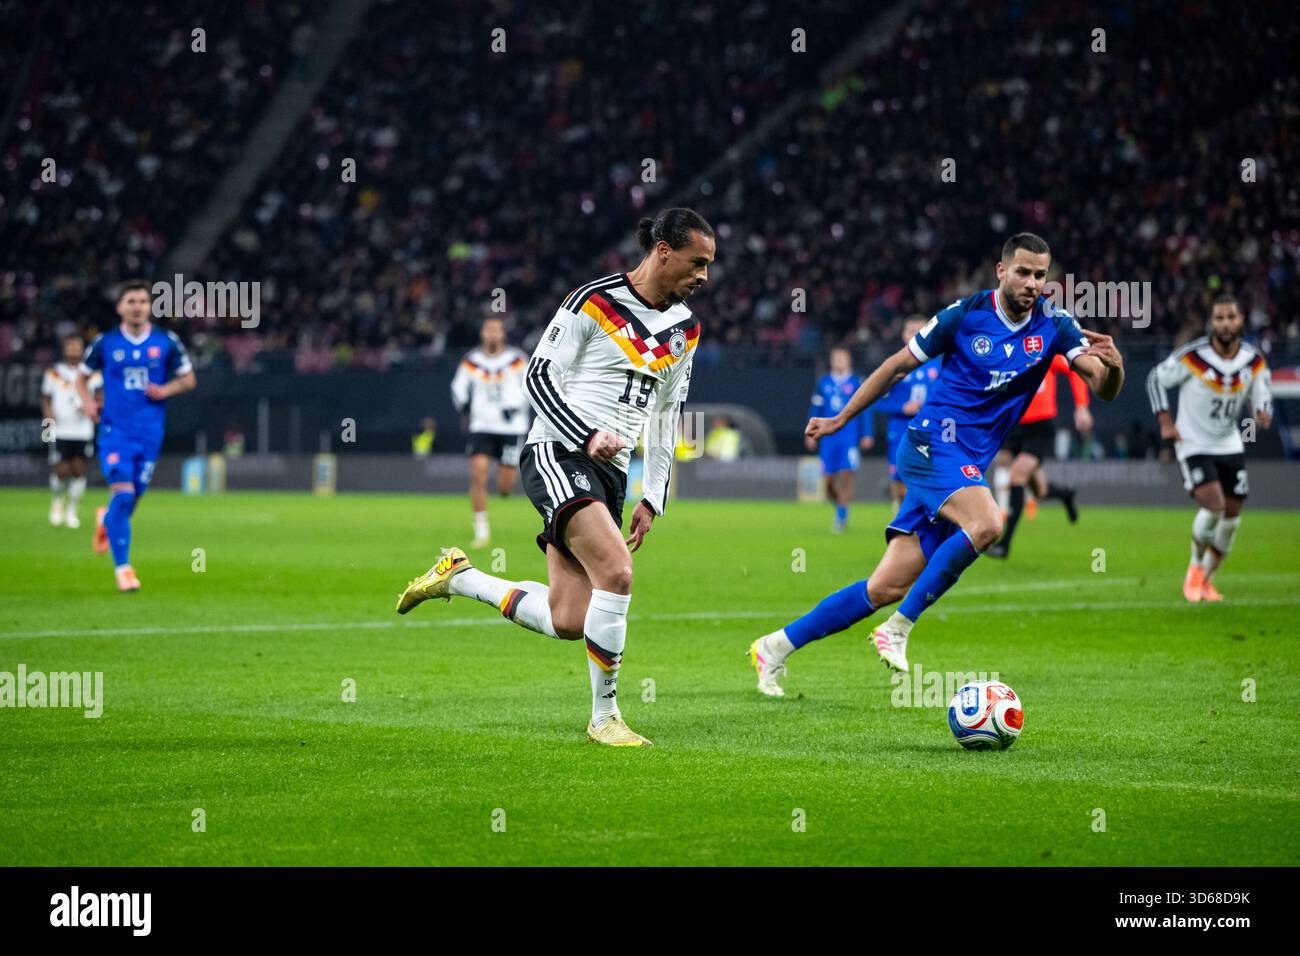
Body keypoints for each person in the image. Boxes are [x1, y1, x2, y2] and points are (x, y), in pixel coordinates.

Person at [748, 233, 1124, 697]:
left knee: (881, 587)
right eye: (1023, 272)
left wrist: (1116, 366)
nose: (1032, 283)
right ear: (1001, 271)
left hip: (966, 464)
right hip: (930, 445)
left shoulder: (1055, 323)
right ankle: (899, 629)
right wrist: (842, 417)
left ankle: (775, 646)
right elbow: (895, 367)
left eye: (1040, 275)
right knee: (988, 522)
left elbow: (1100, 384)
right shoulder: (964, 315)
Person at [395, 208, 714, 746]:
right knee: (617, 572)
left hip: (610, 473)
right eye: (697, 262)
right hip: (559, 452)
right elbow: (538, 376)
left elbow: (667, 417)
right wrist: (587, 434)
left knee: (570, 618)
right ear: (663, 250)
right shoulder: (594, 300)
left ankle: (459, 577)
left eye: (709, 265)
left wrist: (652, 496)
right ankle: (604, 718)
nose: (704, 275)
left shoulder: (687, 329)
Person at [1147, 293, 1272, 602]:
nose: (1226, 324)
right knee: (1214, 505)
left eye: (1231, 317)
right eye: (1220, 318)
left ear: (1241, 320)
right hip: (1193, 443)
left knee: (1232, 519)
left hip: (1230, 443)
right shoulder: (1193, 356)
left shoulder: (1253, 359)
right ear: (1211, 323)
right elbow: (1155, 379)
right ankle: (1193, 570)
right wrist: (1165, 421)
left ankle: (1207, 580)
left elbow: (1261, 391)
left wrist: (1261, 411)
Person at [78, 281, 197, 592]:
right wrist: (89, 402)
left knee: (131, 500)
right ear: (120, 307)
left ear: (150, 307)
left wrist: (165, 389)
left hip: (150, 434)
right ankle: (124, 570)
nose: (137, 306)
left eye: (143, 301)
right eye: (131, 300)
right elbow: (81, 376)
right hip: (115, 431)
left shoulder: (166, 342)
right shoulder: (106, 343)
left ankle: (107, 521)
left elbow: (188, 379)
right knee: (124, 494)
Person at [985, 352, 1092, 558]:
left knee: (1017, 476)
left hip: (1040, 427)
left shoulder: (1046, 352)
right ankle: (1065, 494)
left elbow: (1076, 370)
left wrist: (1081, 407)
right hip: (1014, 425)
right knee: (1039, 491)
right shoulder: (1006, 351)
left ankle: (1004, 545)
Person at [450, 317, 529, 548]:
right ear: (482, 334)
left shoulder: (516, 360)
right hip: (481, 426)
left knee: (506, 484)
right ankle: (481, 530)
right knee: (478, 474)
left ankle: (504, 490)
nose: (492, 334)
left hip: (511, 428)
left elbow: (530, 386)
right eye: (488, 330)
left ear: (503, 334)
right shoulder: (471, 361)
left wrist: (515, 406)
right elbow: (457, 387)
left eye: (497, 330)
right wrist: (463, 404)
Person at [866, 316, 943, 512]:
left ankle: (922, 517)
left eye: (920, 330)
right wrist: (901, 407)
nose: (915, 335)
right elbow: (877, 401)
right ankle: (902, 514)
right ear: (903, 334)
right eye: (911, 330)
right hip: (900, 428)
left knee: (928, 475)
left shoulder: (940, 364)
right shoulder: (894, 365)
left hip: (930, 429)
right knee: (899, 477)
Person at [806, 347, 873, 532]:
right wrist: (811, 433)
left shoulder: (857, 381)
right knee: (827, 481)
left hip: (849, 437)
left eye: (842, 358)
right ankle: (840, 506)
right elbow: (816, 409)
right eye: (836, 358)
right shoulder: (823, 383)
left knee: (846, 475)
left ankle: (842, 515)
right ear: (831, 361)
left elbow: (865, 410)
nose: (839, 361)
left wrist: (867, 434)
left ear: (849, 360)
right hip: (828, 439)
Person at [41, 334, 98, 529]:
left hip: (83, 429)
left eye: (77, 346)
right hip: (58, 429)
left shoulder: (93, 373)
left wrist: (91, 407)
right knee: (60, 469)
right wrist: (48, 416)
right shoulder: (54, 372)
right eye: (70, 346)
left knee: (78, 470)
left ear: (83, 349)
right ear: (64, 349)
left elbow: (100, 399)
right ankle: (57, 502)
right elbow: (45, 398)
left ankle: (72, 510)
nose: (73, 349)